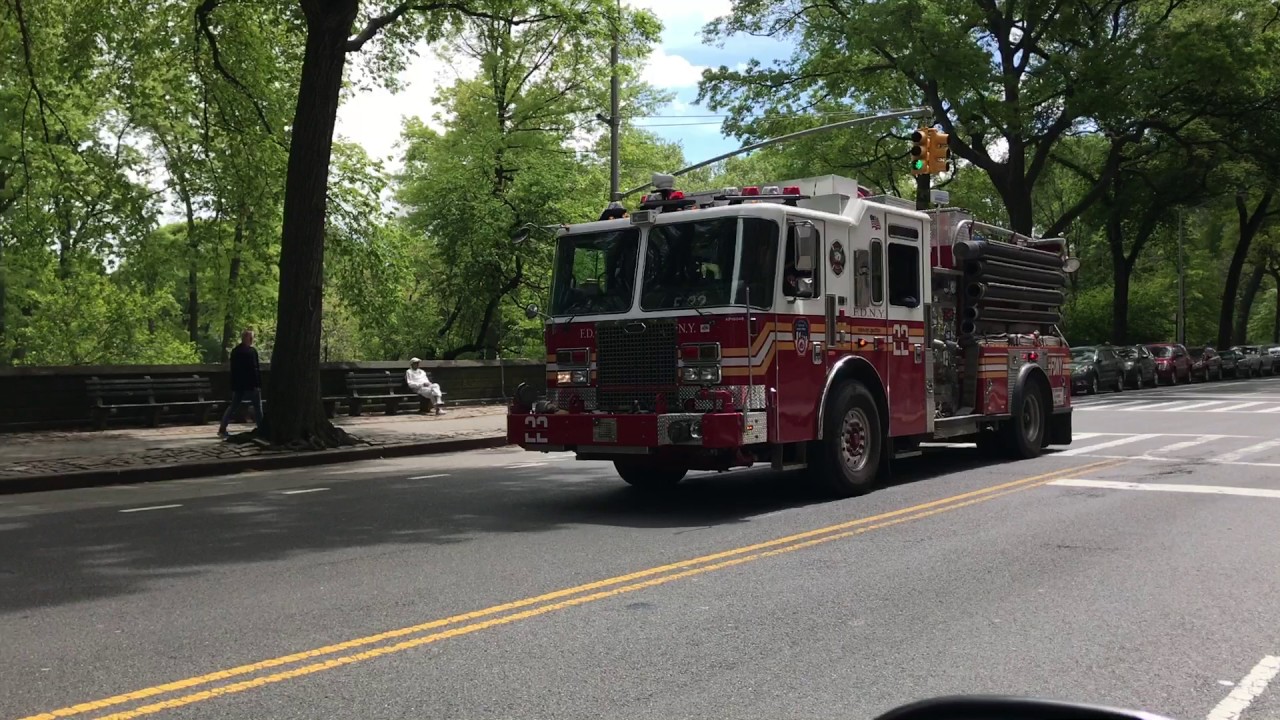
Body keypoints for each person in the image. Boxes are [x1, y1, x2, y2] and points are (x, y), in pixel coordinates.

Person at [218, 329, 264, 438]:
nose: (252, 340)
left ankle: (222, 428)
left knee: (233, 406)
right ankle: (262, 429)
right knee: (258, 407)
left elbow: (234, 370)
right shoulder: (251, 352)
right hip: (251, 385)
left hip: (239, 385)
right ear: (247, 338)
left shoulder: (235, 351)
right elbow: (254, 370)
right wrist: (257, 384)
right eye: (251, 337)